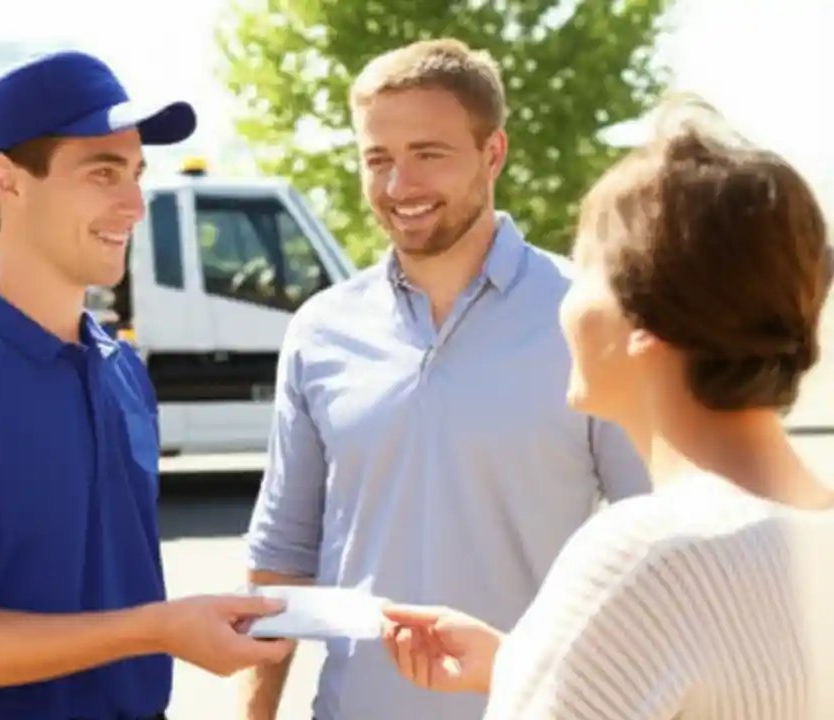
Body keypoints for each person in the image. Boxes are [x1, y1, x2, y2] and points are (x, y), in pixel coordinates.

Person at [0, 50, 291, 720]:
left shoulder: (121, 368)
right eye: (104, 172)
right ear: (8, 181)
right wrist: (157, 629)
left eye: (137, 173)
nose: (135, 204)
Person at [381, 95, 834, 718]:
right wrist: (527, 662)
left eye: (587, 266)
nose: (563, 298)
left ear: (647, 320)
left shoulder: (645, 559)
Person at [237, 38, 651, 720]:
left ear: (493, 154)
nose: (400, 187)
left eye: (428, 154)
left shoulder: (590, 315)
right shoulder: (320, 330)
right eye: (379, 160)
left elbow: (651, 546)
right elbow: (282, 551)